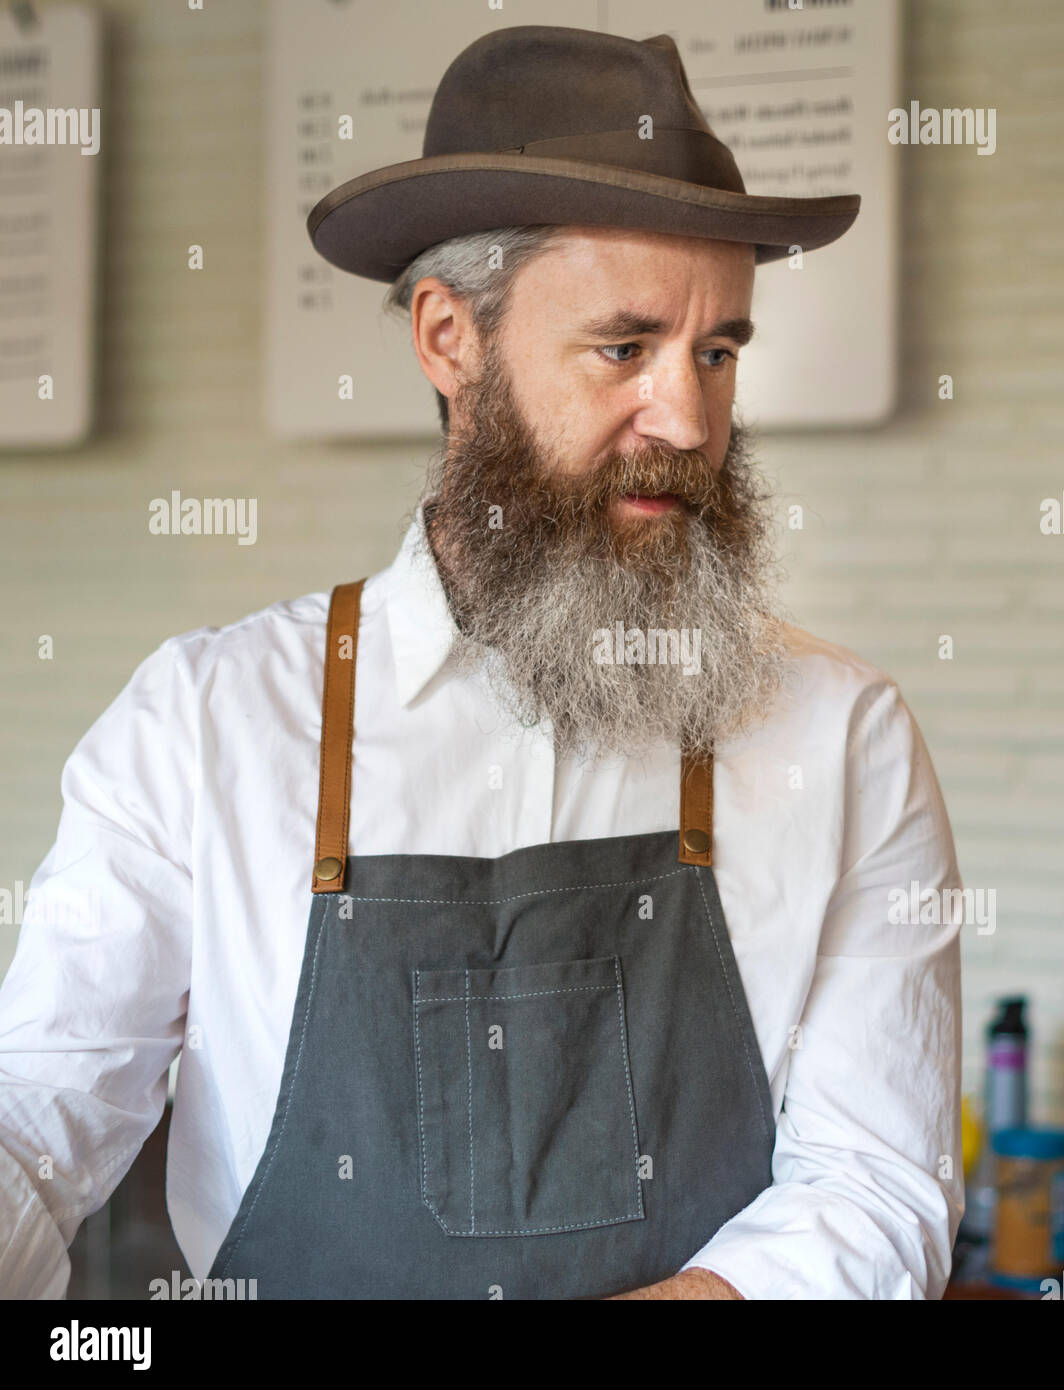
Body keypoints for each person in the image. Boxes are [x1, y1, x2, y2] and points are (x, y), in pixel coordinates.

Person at [0, 25, 963, 1300]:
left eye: (717, 351)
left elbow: (877, 1185)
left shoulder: (842, 737)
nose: (686, 419)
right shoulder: (205, 723)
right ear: (449, 340)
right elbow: (38, 1120)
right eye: (624, 347)